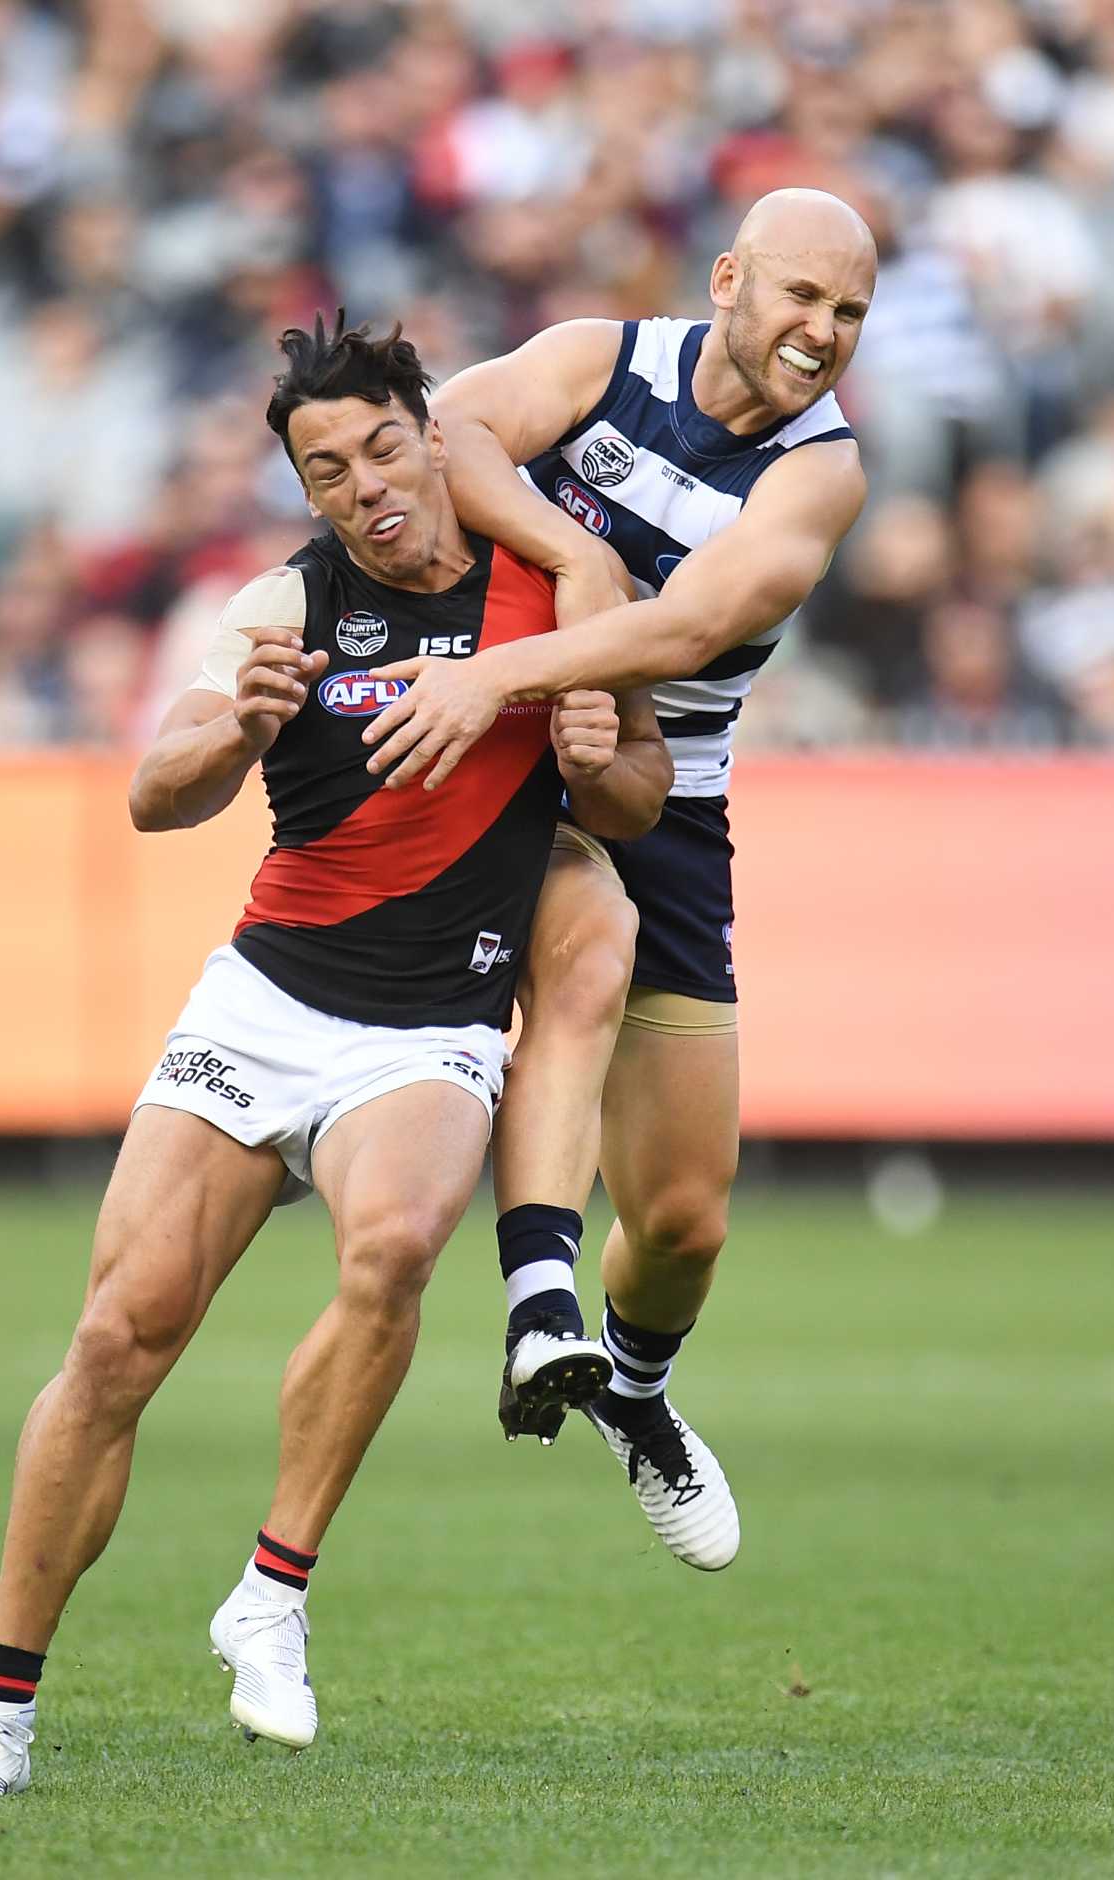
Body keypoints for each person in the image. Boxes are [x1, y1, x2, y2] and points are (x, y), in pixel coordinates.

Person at [0, 317, 670, 1801]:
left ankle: (273, 1590)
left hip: (433, 1021)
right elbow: (154, 792)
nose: (367, 486)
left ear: (433, 433)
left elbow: (636, 793)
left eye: (385, 447)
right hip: (266, 1006)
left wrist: (594, 755)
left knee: (392, 1250)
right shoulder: (281, 605)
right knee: (118, 1343)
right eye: (328, 470)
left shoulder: (563, 589)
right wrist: (231, 733)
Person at [358, 189, 877, 1571]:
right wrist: (574, 559)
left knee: (690, 1219)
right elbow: (443, 433)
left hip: (665, 802)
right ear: (728, 280)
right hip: (501, 762)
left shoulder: (821, 473)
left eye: (849, 316)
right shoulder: (603, 358)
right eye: (801, 299)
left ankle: (634, 1395)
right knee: (575, 963)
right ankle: (535, 1290)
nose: (822, 335)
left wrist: (508, 669)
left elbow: (698, 622)